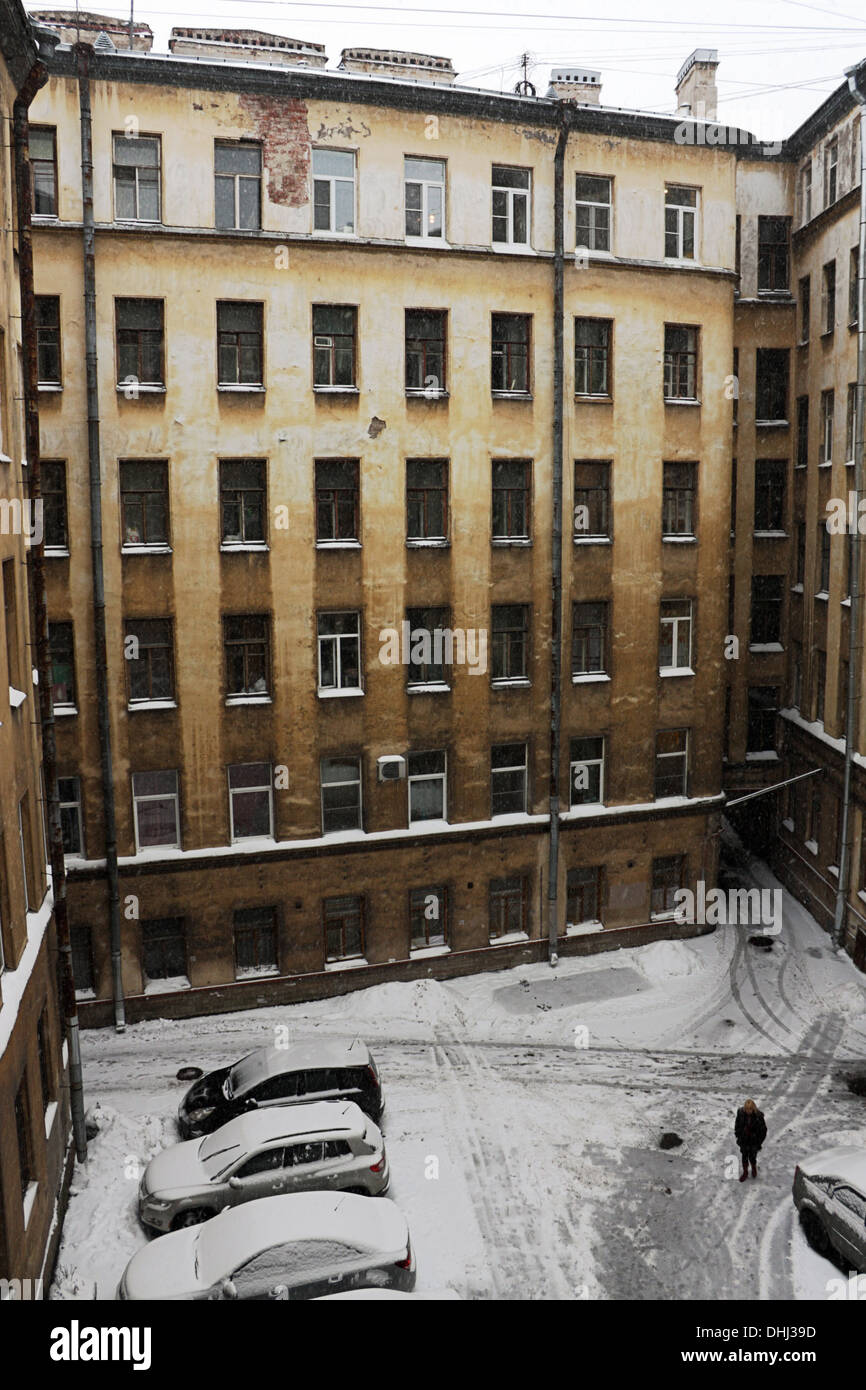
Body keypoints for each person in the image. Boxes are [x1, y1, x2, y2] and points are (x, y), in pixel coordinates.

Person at [734, 1098, 767, 1181]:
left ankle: (754, 1168)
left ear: (753, 1108)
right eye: (746, 1109)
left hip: (754, 1142)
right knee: (744, 1157)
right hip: (744, 1140)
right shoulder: (741, 1114)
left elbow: (763, 1131)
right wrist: (739, 1135)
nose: (748, 1111)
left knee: (752, 1157)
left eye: (750, 1109)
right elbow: (737, 1125)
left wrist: (758, 1141)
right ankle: (745, 1172)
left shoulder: (759, 1117)